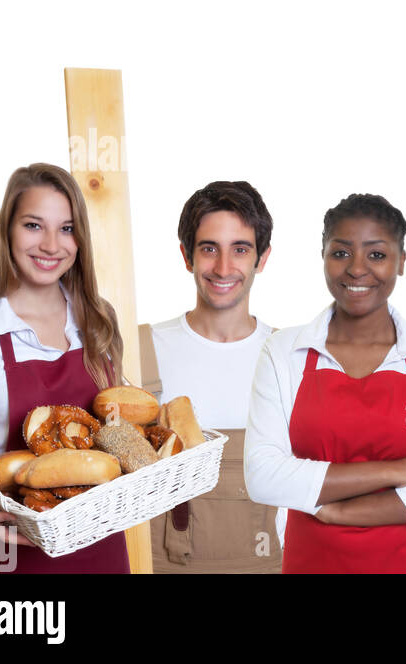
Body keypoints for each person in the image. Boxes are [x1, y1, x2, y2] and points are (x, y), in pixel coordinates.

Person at [245, 193, 406, 573]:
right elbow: (263, 476)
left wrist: (337, 512)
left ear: (401, 262)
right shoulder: (283, 352)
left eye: (376, 255)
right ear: (323, 257)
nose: (357, 269)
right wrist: (393, 470)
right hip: (313, 561)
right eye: (341, 253)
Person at [0, 163, 129, 573]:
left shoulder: (97, 319)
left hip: (106, 548)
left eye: (66, 228)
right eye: (33, 225)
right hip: (17, 552)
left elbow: (116, 425)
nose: (51, 245)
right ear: (7, 230)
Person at [144, 181, 283, 573]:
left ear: (262, 258)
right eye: (209, 249)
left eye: (240, 249)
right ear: (186, 256)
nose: (223, 268)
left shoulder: (289, 357)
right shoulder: (139, 351)